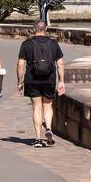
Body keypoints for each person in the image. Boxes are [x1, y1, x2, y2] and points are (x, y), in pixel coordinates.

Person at [17, 20, 65, 148]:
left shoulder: (26, 44)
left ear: (33, 29)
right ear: (46, 29)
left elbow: (20, 65)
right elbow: (60, 64)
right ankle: (48, 128)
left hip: (32, 79)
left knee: (36, 107)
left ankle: (38, 138)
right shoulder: (54, 44)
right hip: (49, 79)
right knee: (48, 105)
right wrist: (61, 82)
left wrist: (20, 82)